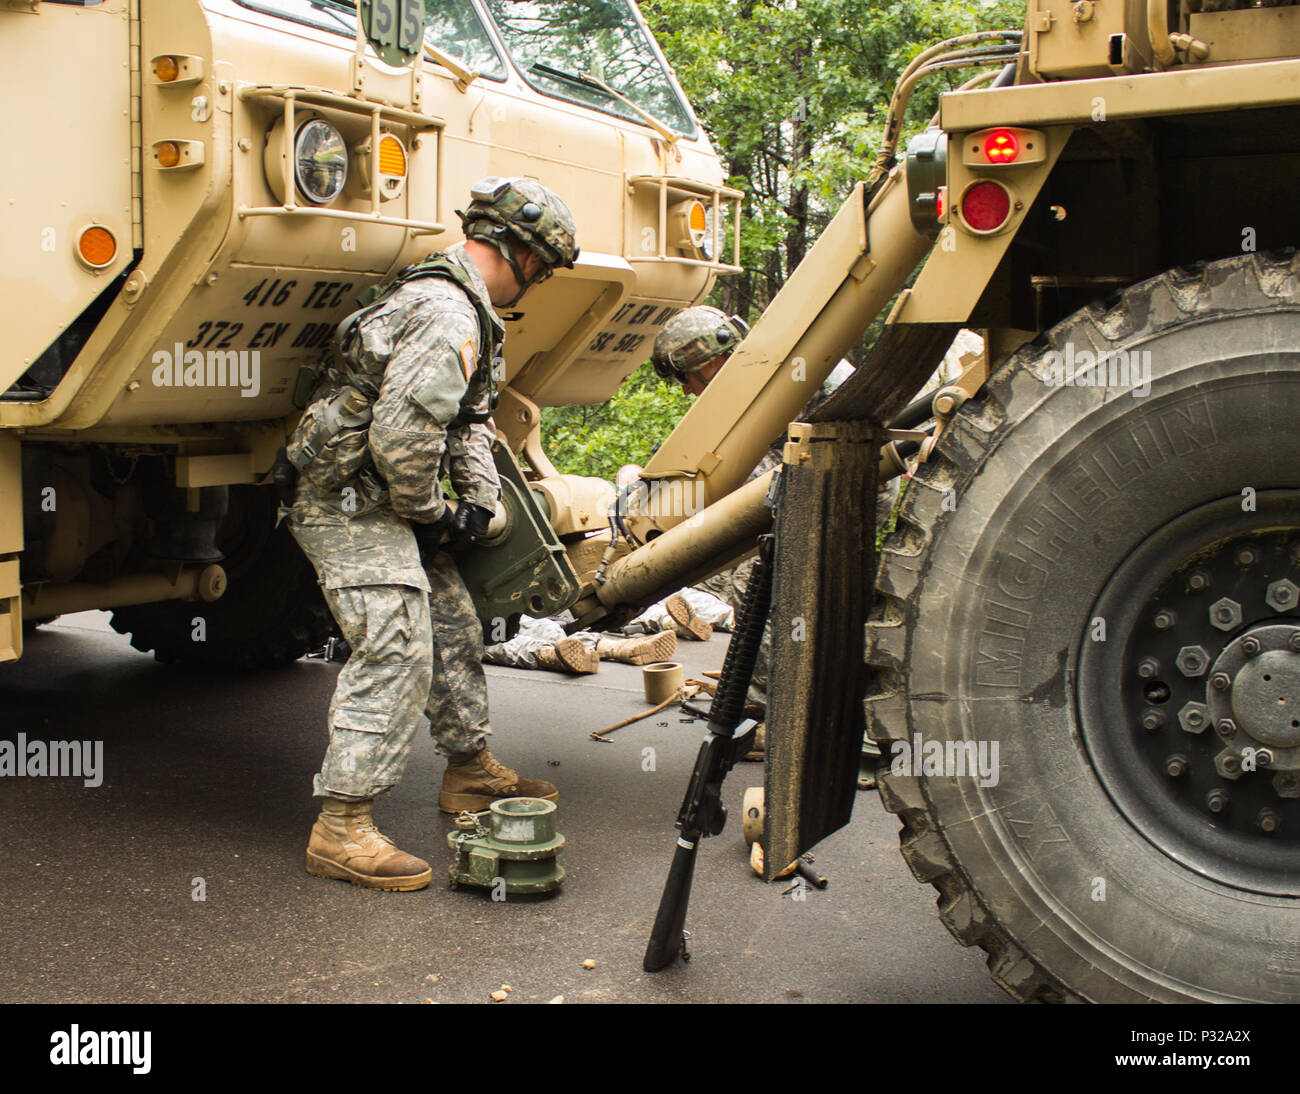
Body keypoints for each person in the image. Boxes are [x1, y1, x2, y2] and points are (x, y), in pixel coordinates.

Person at [284, 177, 578, 891]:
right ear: (518, 252)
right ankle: (342, 826)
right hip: (349, 498)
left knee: (453, 621)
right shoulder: (446, 311)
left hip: (390, 494)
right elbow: (403, 438)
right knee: (399, 638)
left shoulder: (470, 313)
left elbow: (470, 420)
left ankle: (469, 770)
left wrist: (475, 506)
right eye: (539, 266)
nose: (534, 283)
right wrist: (433, 515)